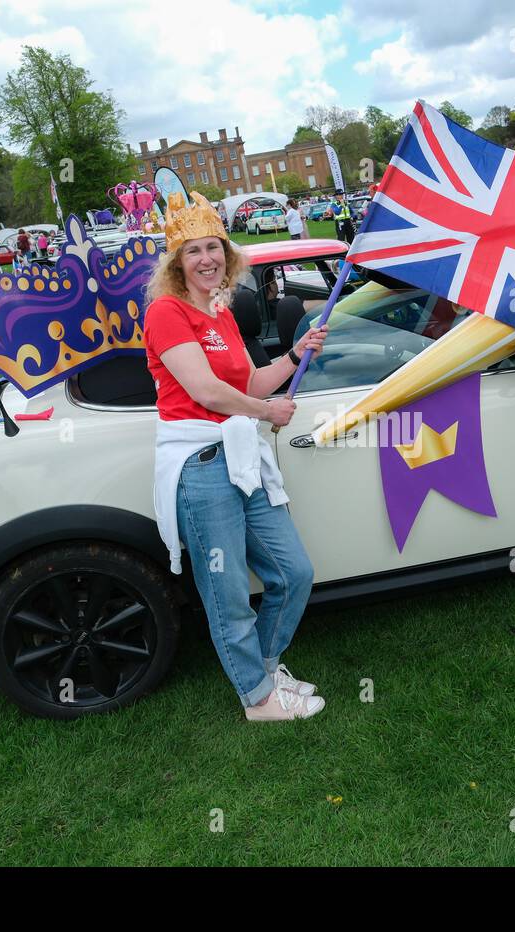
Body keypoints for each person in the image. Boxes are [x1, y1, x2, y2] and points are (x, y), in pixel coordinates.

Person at [143, 191, 329, 721]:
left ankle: (267, 669)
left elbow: (248, 380)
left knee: (293, 572)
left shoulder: (220, 314)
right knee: (225, 592)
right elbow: (206, 391)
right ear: (176, 263)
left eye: (214, 247)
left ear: (228, 252)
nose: (208, 259)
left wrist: (297, 352)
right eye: (194, 251)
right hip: (201, 466)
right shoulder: (166, 312)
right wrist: (265, 412)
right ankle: (257, 699)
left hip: (240, 458)